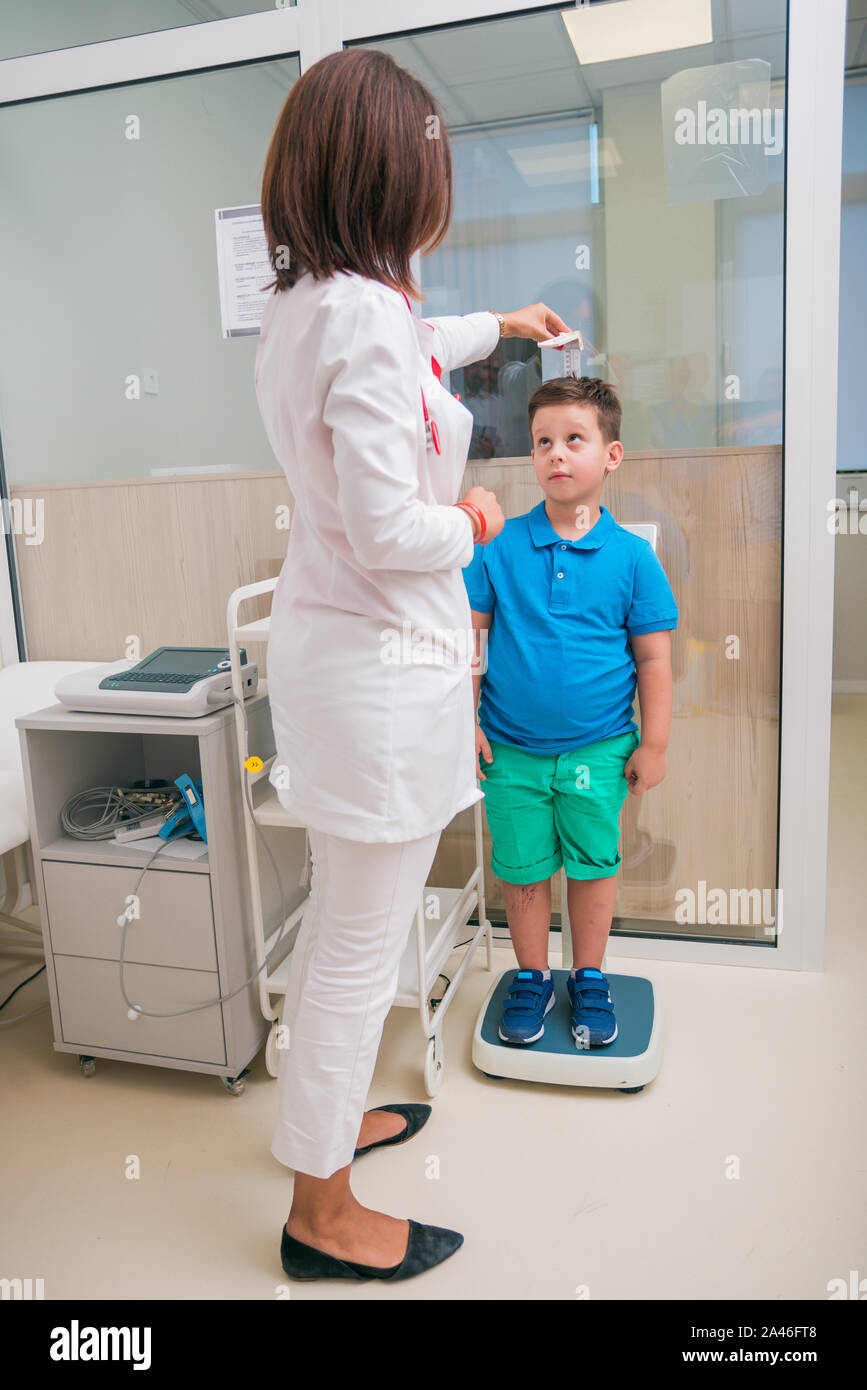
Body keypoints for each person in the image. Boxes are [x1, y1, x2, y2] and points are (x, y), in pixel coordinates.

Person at [253, 47, 570, 1284]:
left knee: (346, 916)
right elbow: (394, 531)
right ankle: (317, 1212)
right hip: (377, 670)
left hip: (336, 663)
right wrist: (479, 522)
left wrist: (505, 325)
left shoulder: (317, 306)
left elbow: (417, 336)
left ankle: (323, 1130)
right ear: (392, 179)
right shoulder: (363, 323)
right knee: (353, 942)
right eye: (433, 165)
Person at [463, 377, 678, 1047]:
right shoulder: (497, 547)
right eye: (543, 442)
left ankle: (588, 975)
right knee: (522, 873)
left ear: (610, 455)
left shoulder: (633, 558)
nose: (556, 454)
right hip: (510, 752)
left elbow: (653, 661)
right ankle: (531, 977)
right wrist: (461, 721)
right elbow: (467, 645)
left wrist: (656, 744)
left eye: (573, 440)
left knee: (592, 867)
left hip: (600, 750)